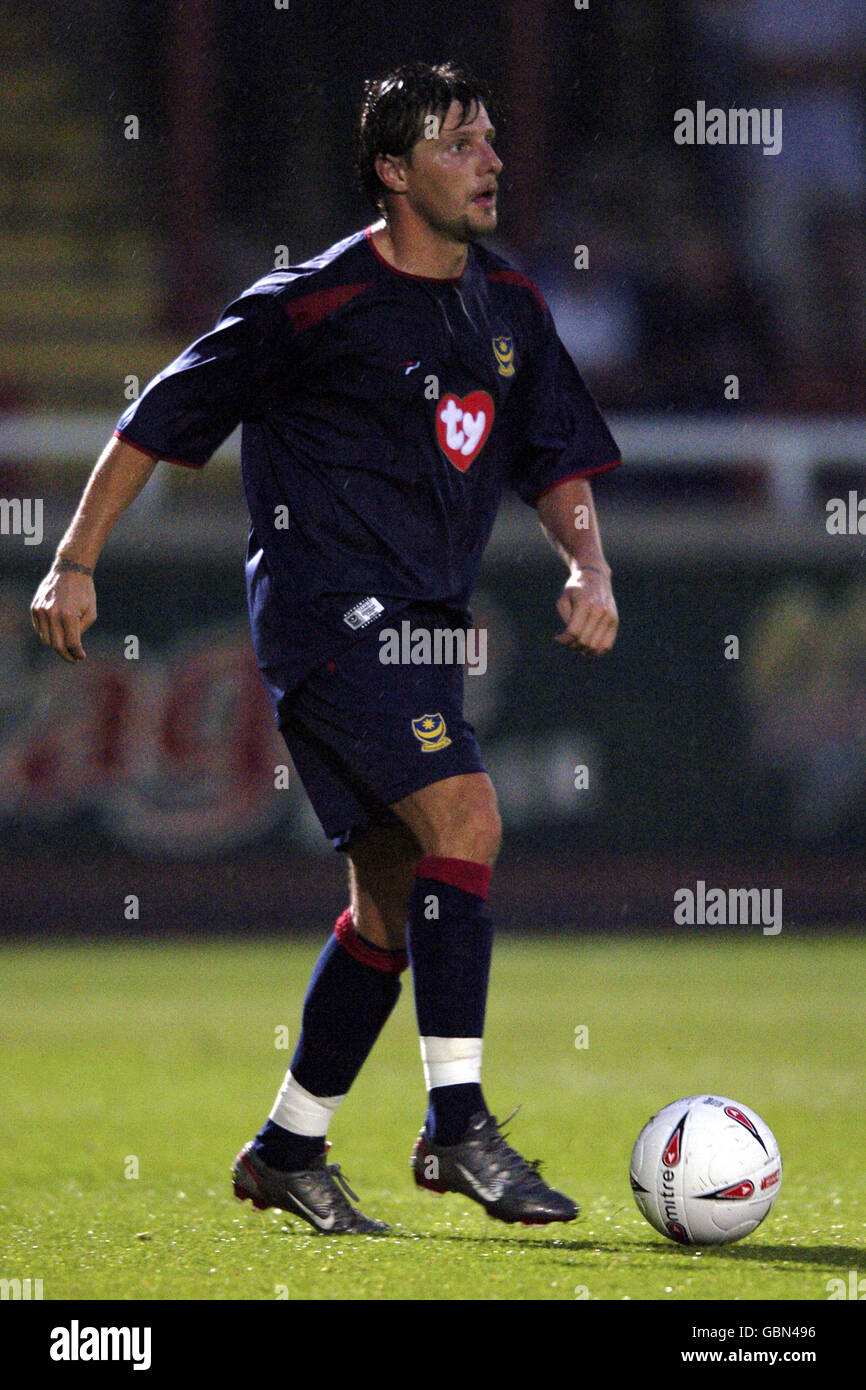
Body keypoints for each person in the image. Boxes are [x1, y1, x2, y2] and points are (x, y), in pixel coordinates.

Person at [30, 62, 620, 1235]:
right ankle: (457, 1129)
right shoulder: (307, 304)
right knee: (467, 821)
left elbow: (551, 455)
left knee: (390, 906)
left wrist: (586, 563)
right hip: (327, 622)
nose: (490, 161)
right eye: (458, 145)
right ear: (392, 172)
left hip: (426, 634)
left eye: (490, 139)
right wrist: (75, 558)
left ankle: (288, 1147)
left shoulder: (509, 303)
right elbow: (156, 422)